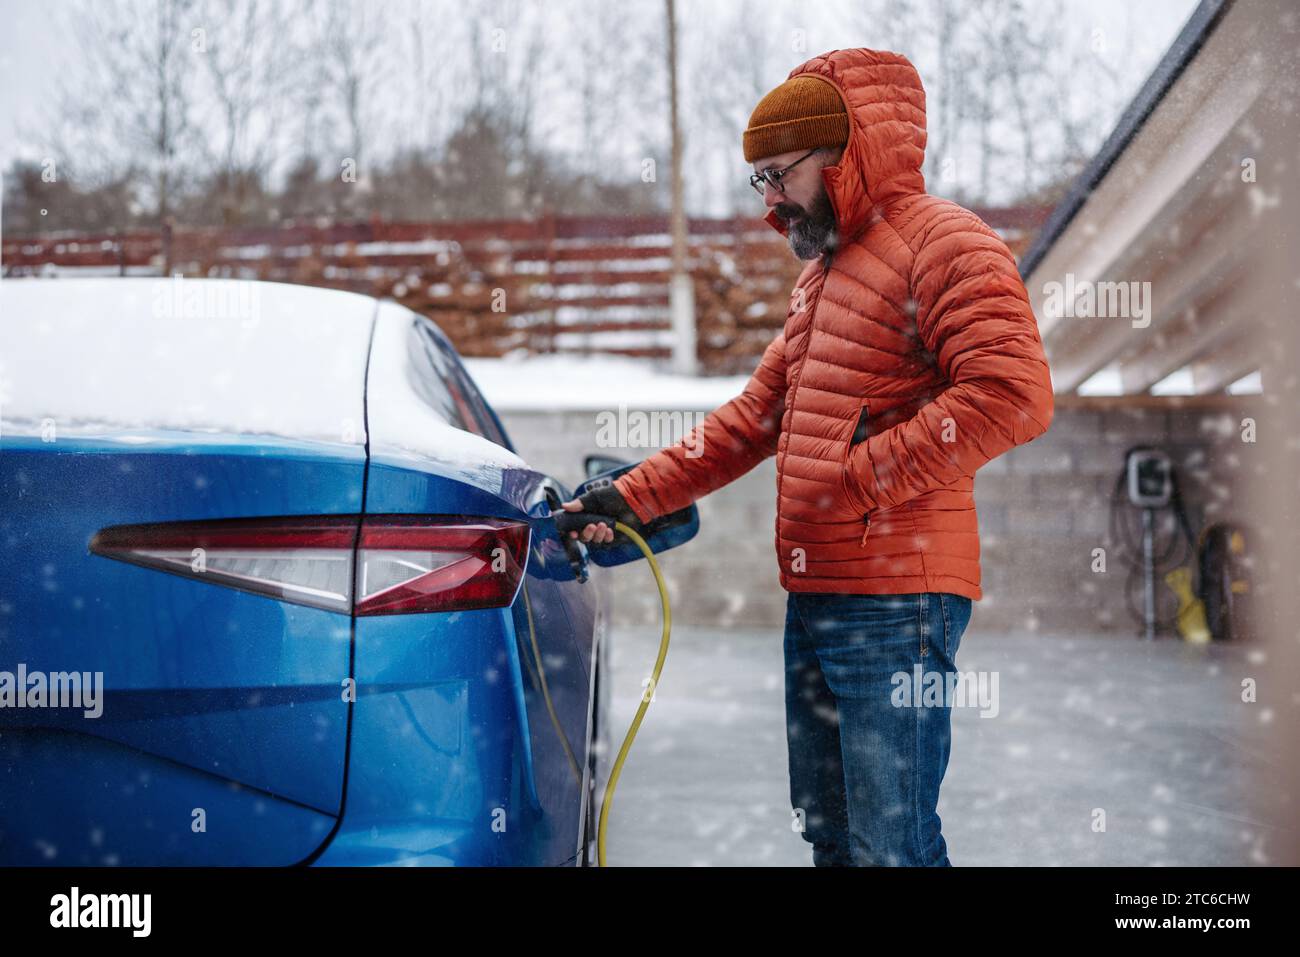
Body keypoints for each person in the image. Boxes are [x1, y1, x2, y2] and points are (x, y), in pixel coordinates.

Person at [561, 47, 1054, 866]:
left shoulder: (948, 244)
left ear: (843, 153)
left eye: (779, 174)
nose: (771, 200)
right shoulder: (825, 277)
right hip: (819, 593)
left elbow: (1013, 393)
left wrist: (858, 477)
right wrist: (632, 495)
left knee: (891, 843)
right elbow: (756, 417)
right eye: (760, 180)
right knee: (831, 836)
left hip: (899, 601)